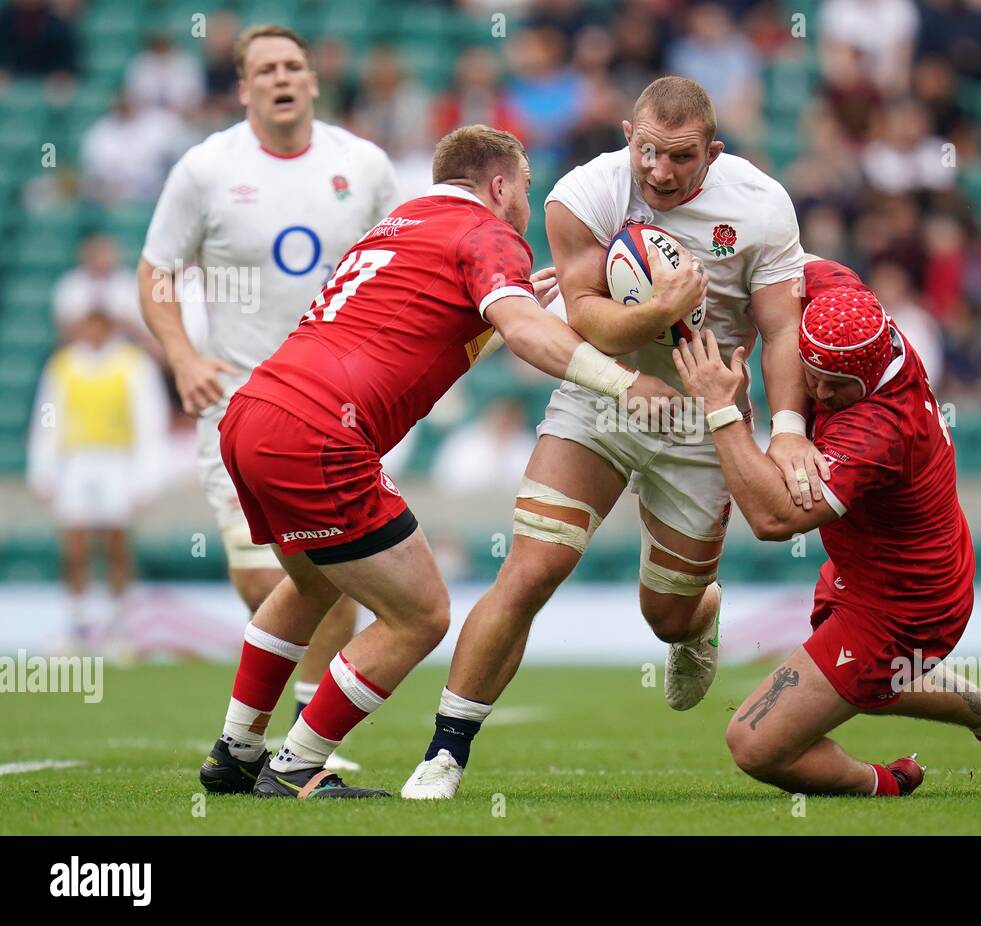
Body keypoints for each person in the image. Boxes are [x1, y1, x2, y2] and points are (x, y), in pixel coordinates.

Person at [199, 124, 681, 799]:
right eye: (524, 193)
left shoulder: (399, 222)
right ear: (500, 184)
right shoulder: (488, 235)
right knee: (420, 614)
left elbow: (416, 333)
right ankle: (297, 763)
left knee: (313, 582)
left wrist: (505, 310)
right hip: (319, 432)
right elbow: (523, 335)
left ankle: (236, 748)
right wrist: (627, 382)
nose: (524, 209)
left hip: (255, 414)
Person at [401, 76, 821, 801]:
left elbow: (783, 327)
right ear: (629, 132)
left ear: (712, 152)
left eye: (681, 158)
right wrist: (660, 307)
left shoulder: (759, 206)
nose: (659, 170)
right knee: (531, 571)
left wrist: (788, 431)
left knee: (665, 614)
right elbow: (587, 318)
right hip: (603, 397)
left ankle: (700, 618)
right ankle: (445, 753)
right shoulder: (584, 191)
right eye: (648, 150)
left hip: (702, 417)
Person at [673, 256, 981, 796]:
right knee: (869, 682)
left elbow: (772, 518)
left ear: (868, 374)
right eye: (815, 378)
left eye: (837, 387)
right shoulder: (852, 309)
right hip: (896, 568)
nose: (822, 394)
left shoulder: (877, 431)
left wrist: (721, 409)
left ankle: (885, 783)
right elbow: (780, 256)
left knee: (755, 743)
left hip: (903, 605)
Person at [138, 25, 399, 771]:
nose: (281, 78)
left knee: (335, 565)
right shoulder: (205, 169)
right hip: (241, 405)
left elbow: (400, 258)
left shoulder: (364, 165)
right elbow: (157, 274)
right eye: (264, 69)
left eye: (293, 66)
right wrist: (183, 356)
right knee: (273, 577)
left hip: (341, 407)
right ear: (244, 85)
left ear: (314, 79)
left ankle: (301, 739)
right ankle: (286, 731)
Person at [26, 309, 169, 650]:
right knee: (74, 546)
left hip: (117, 463)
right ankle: (77, 622)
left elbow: (149, 420)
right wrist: (44, 469)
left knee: (116, 544)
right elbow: (48, 417)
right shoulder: (62, 366)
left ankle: (120, 626)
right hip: (76, 463)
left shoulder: (133, 365)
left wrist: (146, 476)